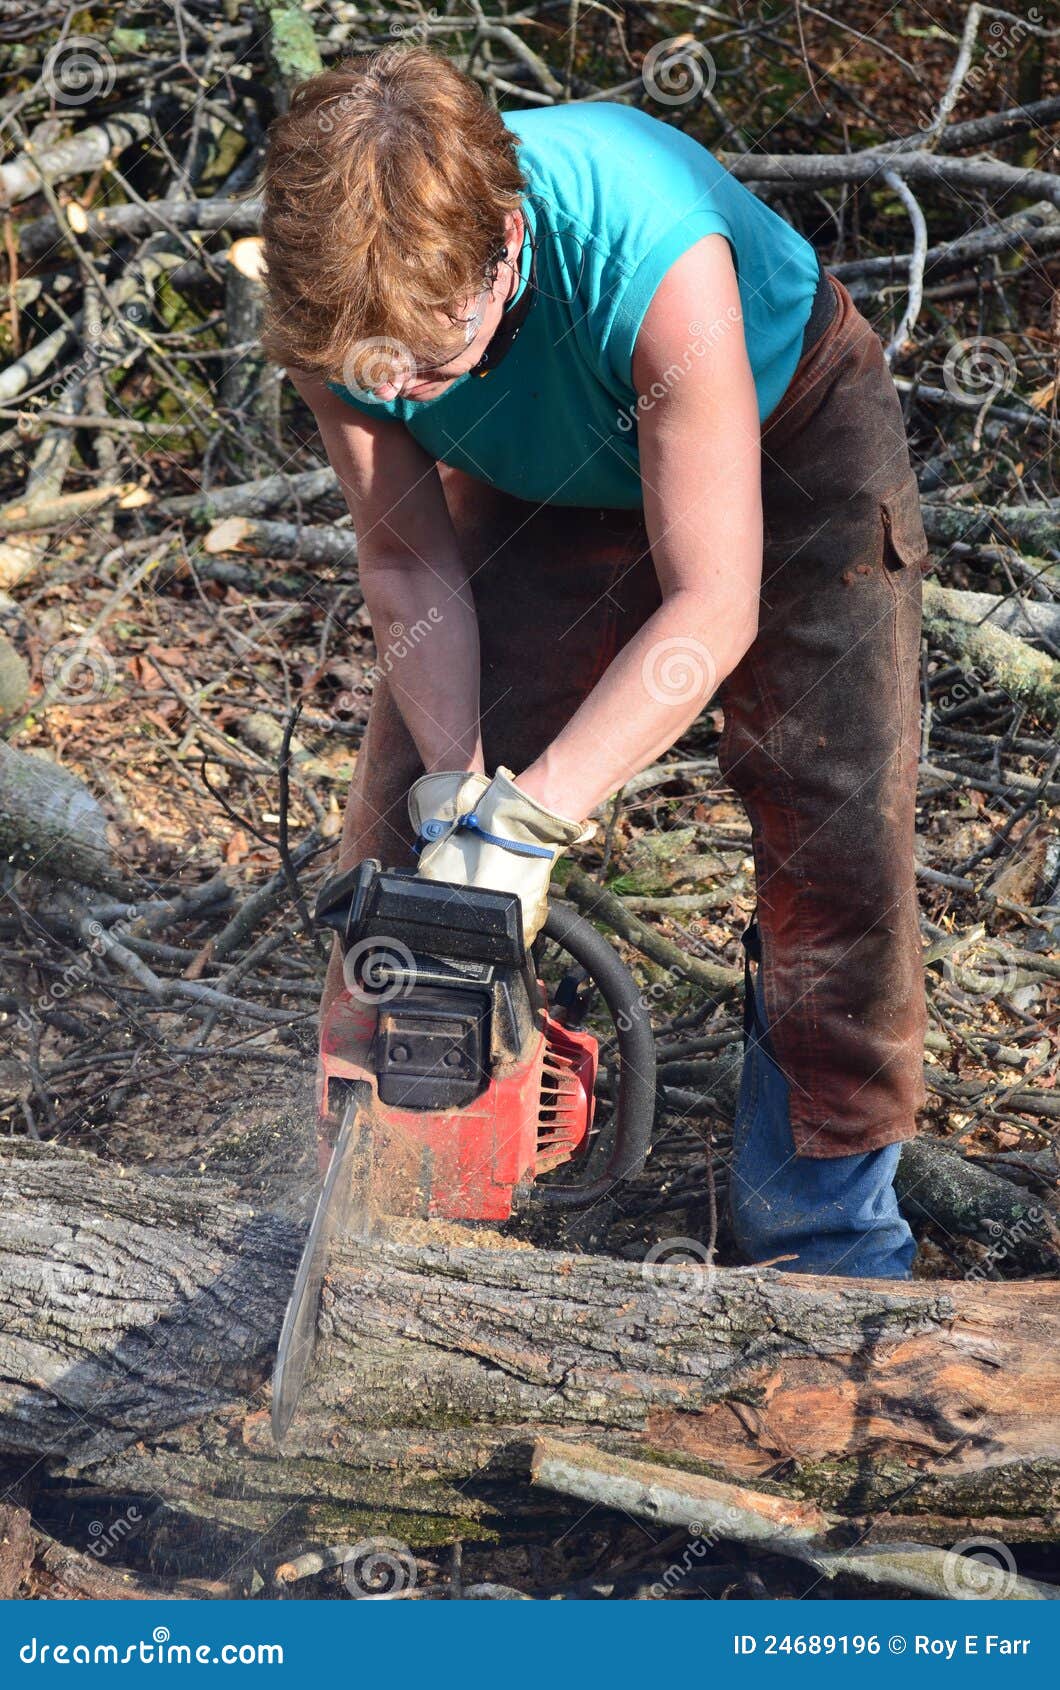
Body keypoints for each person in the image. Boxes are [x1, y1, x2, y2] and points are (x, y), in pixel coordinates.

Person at [260, 46, 930, 1278]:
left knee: (832, 830)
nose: (401, 391)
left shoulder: (650, 254)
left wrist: (525, 825)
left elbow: (711, 602)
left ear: (506, 247)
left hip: (786, 437)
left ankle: (825, 1242)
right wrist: (458, 791)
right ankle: (410, 1198)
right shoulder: (332, 311)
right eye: (376, 374)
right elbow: (409, 568)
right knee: (402, 854)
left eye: (426, 358)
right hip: (538, 475)